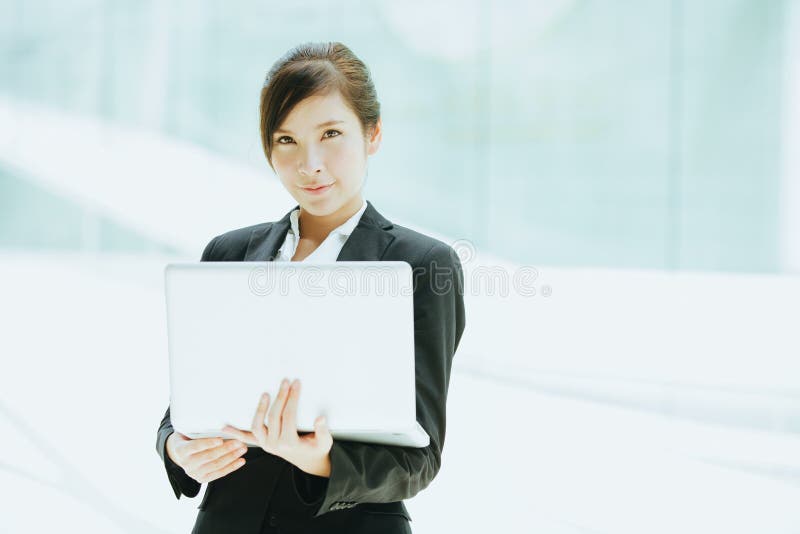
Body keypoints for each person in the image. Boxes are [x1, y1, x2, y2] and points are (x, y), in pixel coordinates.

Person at [155, 41, 466, 534]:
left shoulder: (421, 265)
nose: (310, 164)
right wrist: (177, 447)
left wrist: (318, 458)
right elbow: (187, 407)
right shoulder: (228, 254)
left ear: (373, 134)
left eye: (331, 134)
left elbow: (420, 458)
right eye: (287, 140)